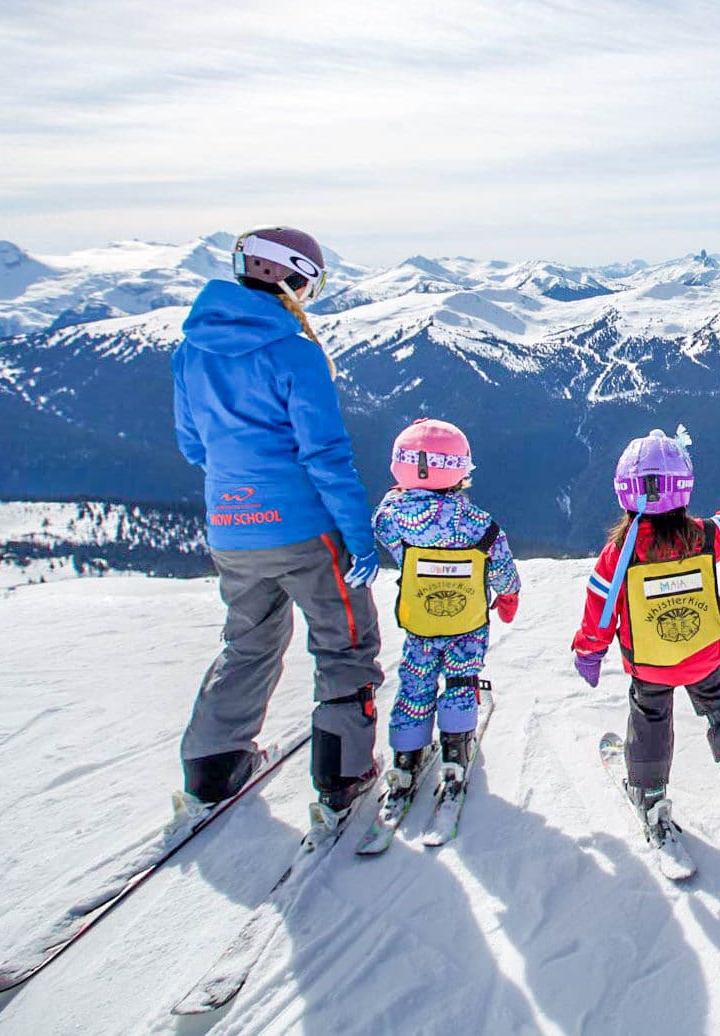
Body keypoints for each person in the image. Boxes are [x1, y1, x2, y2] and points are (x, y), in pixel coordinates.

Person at [172, 226, 383, 829]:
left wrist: (238, 489)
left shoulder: (190, 350)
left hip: (231, 531)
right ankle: (344, 774)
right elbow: (325, 456)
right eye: (308, 285)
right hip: (305, 529)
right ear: (289, 277)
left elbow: (193, 445)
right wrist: (358, 537)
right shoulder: (294, 351)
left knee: (248, 642)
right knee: (344, 645)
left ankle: (213, 765)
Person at [569, 428, 720, 851]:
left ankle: (652, 799)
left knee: (650, 724)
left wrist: (589, 651)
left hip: (651, 666)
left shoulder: (620, 553)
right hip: (704, 655)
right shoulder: (702, 536)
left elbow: (599, 609)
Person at [373, 418, 520, 798]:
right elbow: (501, 566)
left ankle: (406, 756)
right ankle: (456, 746)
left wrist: (398, 496)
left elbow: (383, 527)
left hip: (420, 621)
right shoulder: (479, 525)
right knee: (460, 678)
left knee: (416, 680)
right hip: (467, 622)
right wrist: (507, 595)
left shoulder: (393, 518)